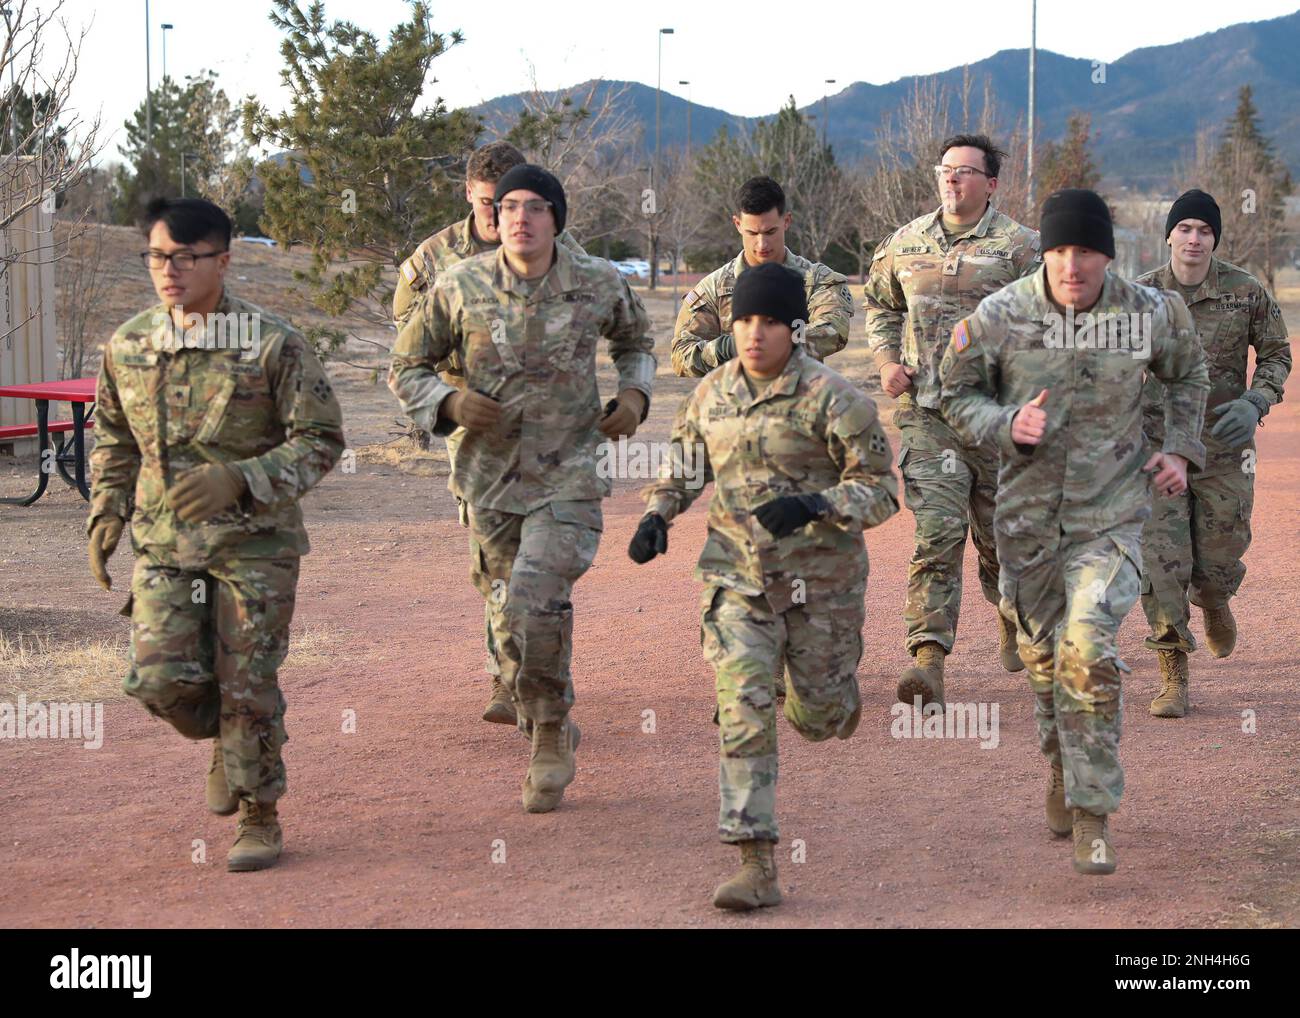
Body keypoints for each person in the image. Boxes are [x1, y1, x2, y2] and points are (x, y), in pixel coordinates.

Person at [940, 189, 1209, 874]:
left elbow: (1190, 375)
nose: (1072, 265)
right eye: (1059, 251)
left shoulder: (1149, 312)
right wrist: (1005, 425)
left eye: (1086, 251)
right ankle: (1060, 766)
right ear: (1044, 255)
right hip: (1026, 523)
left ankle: (1094, 811)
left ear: (1107, 256)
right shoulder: (999, 317)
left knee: (1087, 649)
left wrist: (1178, 448)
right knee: (1043, 660)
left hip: (1110, 518)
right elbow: (955, 395)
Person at [88, 197, 345, 871]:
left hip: (255, 545)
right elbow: (113, 437)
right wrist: (107, 509)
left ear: (223, 261)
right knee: (159, 680)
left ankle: (260, 812)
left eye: (184, 257)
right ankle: (227, 743)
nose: (167, 270)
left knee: (247, 680)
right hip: (166, 546)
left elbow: (321, 441)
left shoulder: (273, 343)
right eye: (156, 255)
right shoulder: (129, 344)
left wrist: (242, 478)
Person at [389, 165, 656, 813]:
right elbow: (405, 364)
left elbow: (636, 339)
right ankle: (545, 715)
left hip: (567, 475)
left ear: (556, 217)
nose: (518, 218)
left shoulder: (596, 282)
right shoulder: (460, 285)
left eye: (534, 207)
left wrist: (634, 394)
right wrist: (448, 403)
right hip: (489, 480)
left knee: (538, 594)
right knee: (510, 619)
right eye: (508, 206)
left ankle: (548, 734)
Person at [633, 262, 898, 909]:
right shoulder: (711, 394)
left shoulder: (837, 399)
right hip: (737, 580)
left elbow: (886, 490)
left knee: (816, 718)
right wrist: (657, 513)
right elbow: (683, 466)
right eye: (745, 321)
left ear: (796, 329)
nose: (754, 334)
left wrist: (815, 504)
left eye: (770, 322)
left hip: (821, 585)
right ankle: (756, 864)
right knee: (742, 711)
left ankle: (834, 696)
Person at [393, 141, 586, 726]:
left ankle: (539, 671)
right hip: (473, 424)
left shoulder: (559, 247)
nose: (502, 215)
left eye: (512, 202)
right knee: (495, 557)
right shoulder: (432, 261)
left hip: (547, 426)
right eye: (488, 204)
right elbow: (410, 347)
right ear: (469, 195)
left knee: (544, 556)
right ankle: (508, 676)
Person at [863, 134, 1040, 705]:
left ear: (990, 183)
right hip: (929, 415)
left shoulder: (1020, 247)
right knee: (937, 533)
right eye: (946, 170)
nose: (952, 180)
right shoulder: (905, 242)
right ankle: (928, 660)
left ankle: (1009, 615)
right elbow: (882, 306)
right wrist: (888, 361)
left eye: (965, 172)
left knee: (1001, 542)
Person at [1135, 189, 1291, 717]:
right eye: (1185, 228)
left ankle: (1216, 598)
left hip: (1224, 449)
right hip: (1156, 450)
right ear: (1169, 235)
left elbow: (1276, 353)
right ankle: (1173, 673)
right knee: (1161, 559)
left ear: (1215, 238)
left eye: (1205, 230)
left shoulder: (1246, 292)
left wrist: (1256, 400)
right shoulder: (1140, 296)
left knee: (1219, 553)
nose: (1194, 238)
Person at [671, 175, 852, 378]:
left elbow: (834, 330)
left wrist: (771, 342)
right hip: (735, 403)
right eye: (752, 233)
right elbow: (681, 355)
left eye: (770, 232)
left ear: (787, 221)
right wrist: (727, 348)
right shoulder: (714, 288)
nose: (762, 244)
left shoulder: (816, 280)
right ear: (738, 224)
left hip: (801, 401)